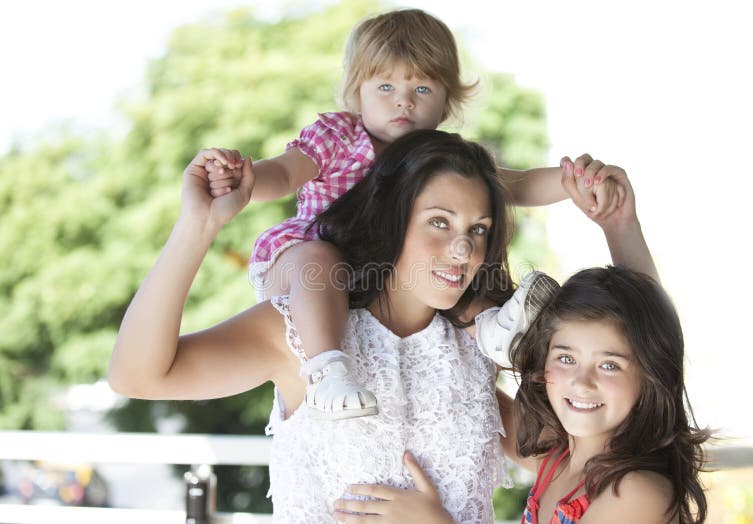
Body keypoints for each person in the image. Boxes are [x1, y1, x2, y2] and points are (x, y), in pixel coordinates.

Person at [198, 8, 624, 420]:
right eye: (385, 88)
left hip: (379, 272)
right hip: (307, 264)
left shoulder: (440, 158)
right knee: (321, 258)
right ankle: (327, 369)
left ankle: (492, 327)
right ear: (357, 90)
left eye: (422, 90)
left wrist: (573, 183)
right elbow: (285, 172)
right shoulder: (337, 137)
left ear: (447, 100)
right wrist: (246, 179)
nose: (403, 103)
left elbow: (516, 184)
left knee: (454, 267)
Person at [111, 130, 518, 523]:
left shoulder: (481, 344)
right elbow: (137, 377)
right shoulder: (301, 332)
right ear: (390, 219)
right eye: (440, 222)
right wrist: (197, 225)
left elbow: (570, 466)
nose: (464, 249)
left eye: (477, 229)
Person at [333, 268, 711, 524]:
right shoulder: (558, 462)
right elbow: (466, 393)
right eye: (566, 358)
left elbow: (650, 317)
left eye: (609, 364)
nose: (582, 382)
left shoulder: (637, 493)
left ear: (650, 376)